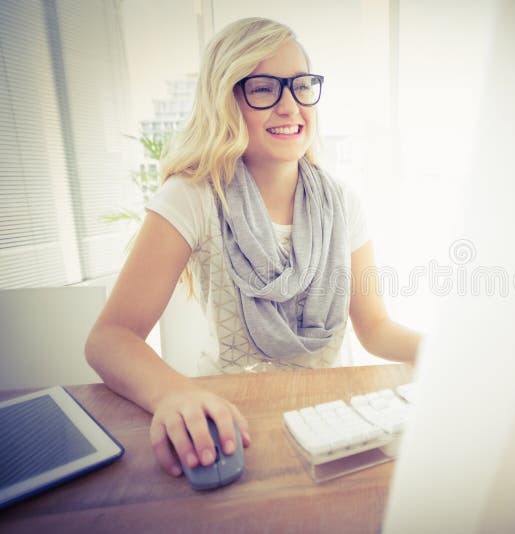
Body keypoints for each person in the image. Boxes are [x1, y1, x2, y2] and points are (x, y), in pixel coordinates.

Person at [85, 17, 420, 479]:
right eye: (264, 89)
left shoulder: (344, 202)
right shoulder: (194, 196)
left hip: (334, 417)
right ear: (227, 100)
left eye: (301, 86)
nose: (289, 106)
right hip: (234, 420)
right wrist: (171, 393)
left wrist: (445, 351)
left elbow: (375, 327)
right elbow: (110, 338)